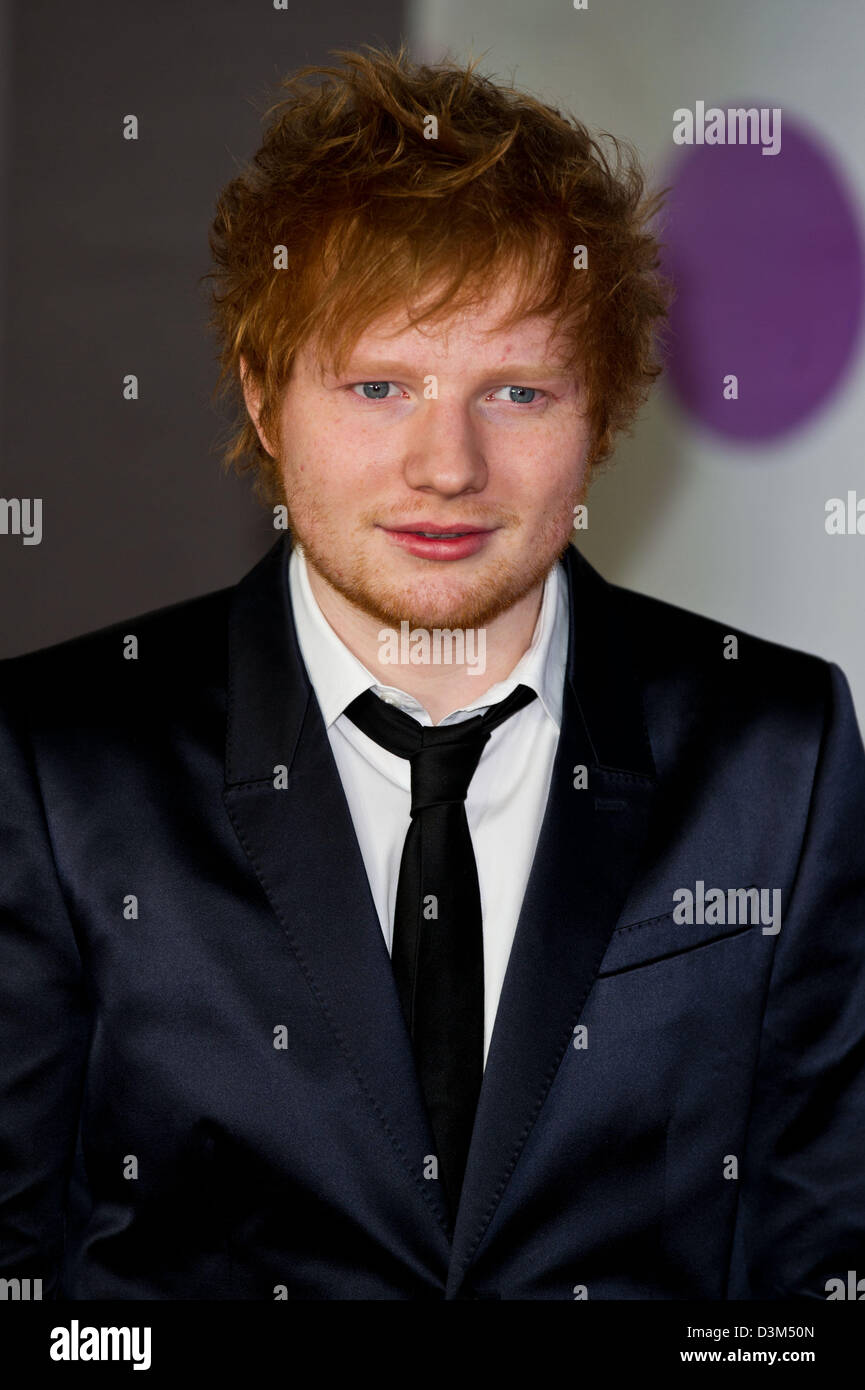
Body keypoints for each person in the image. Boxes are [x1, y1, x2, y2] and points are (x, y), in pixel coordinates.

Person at [1, 43, 863, 1302]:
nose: (445, 464)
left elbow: (823, 1272)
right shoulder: (57, 757)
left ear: (606, 412)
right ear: (261, 394)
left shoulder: (774, 749)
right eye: (377, 384)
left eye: (516, 389)